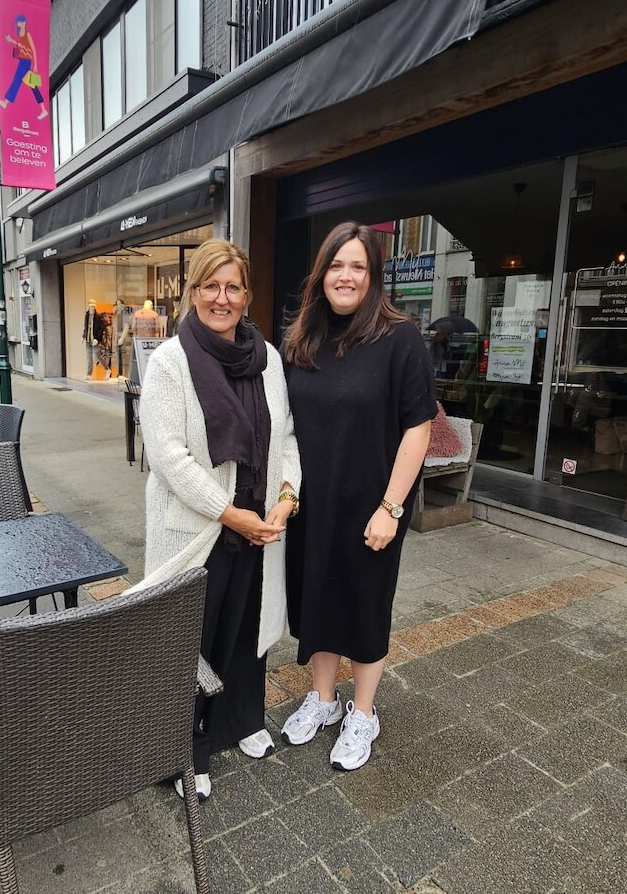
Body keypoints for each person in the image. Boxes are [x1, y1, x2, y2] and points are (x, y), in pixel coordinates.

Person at [138, 239, 302, 800]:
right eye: (211, 285)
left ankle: (241, 722)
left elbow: (285, 437)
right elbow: (169, 458)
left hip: (257, 526)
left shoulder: (268, 360)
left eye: (233, 287)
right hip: (201, 529)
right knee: (192, 642)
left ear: (247, 295)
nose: (222, 298)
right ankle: (183, 752)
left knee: (243, 630)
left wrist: (286, 496)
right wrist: (231, 514)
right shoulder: (170, 362)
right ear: (193, 293)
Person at [280, 221, 436, 772]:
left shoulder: (400, 339)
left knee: (366, 608)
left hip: (373, 506)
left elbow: (420, 427)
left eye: (358, 267)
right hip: (312, 505)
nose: (345, 276)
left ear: (373, 278)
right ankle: (323, 700)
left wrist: (392, 507)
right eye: (336, 266)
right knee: (316, 600)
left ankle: (363, 713)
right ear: (321, 274)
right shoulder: (301, 339)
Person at [0, 14, 49, 121]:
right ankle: (43, 109)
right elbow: (21, 46)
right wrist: (11, 40)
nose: (18, 23)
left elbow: (33, 49)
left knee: (17, 80)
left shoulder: (27, 34)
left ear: (24, 23)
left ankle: (6, 102)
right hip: (23, 60)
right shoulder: (20, 35)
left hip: (26, 62)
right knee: (33, 85)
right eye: (18, 22)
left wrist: (35, 64)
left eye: (20, 22)